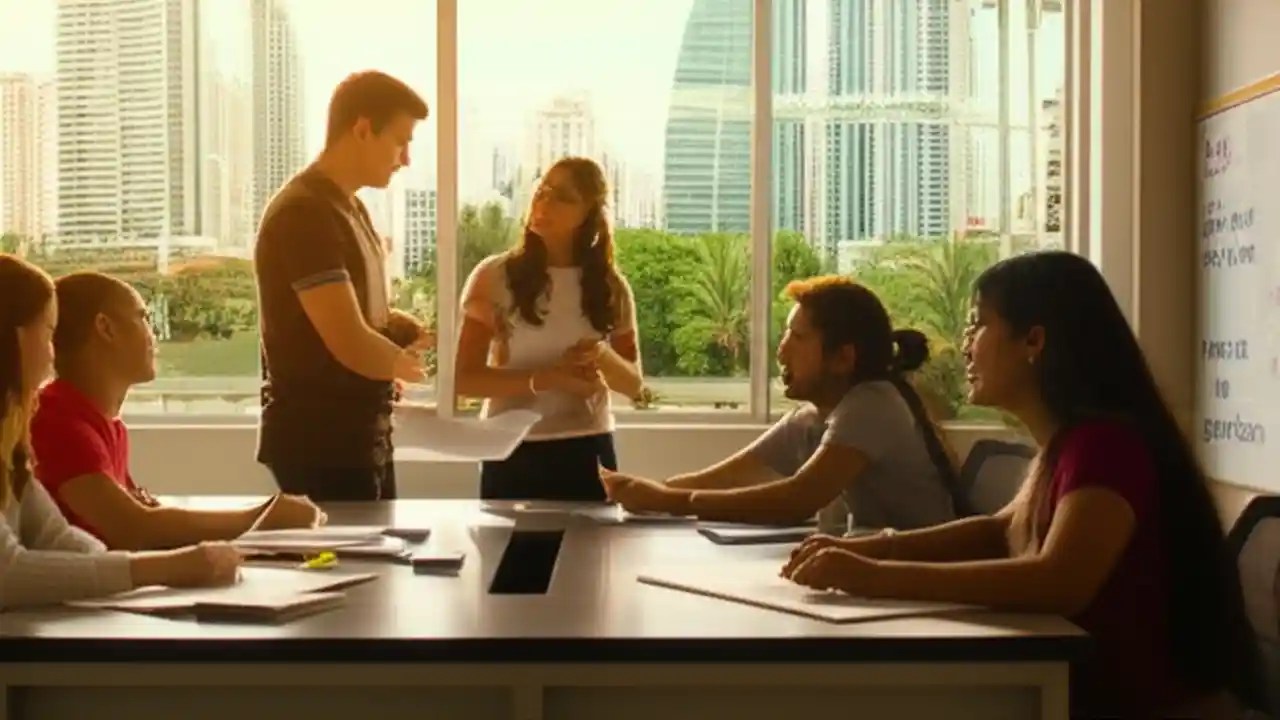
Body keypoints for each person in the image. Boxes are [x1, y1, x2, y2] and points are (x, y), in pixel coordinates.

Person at [781, 252, 1262, 718]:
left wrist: (873, 577)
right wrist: (873, 552)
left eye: (979, 323)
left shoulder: (1106, 447)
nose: (967, 342)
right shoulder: (1068, 445)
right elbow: (996, 532)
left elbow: (1058, 582)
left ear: (1033, 341)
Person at [600, 275, 960, 529]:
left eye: (798, 338)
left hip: (928, 584)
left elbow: (797, 499)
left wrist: (668, 501)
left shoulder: (873, 404)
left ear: (842, 358)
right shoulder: (812, 418)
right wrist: (646, 491)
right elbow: (721, 479)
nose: (782, 351)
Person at [0, 255, 240, 609]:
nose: (52, 356)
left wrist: (137, 577)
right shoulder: (57, 420)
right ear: (13, 336)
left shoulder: (11, 444)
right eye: (48, 332)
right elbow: (8, 574)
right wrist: (157, 570)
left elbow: (56, 537)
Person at [29, 272, 325, 550]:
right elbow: (133, 527)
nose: (152, 334)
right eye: (142, 317)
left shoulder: (102, 423)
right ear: (106, 328)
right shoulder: (57, 422)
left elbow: (145, 517)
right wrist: (261, 518)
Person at [255, 70, 432, 501]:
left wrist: (405, 332)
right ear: (362, 128)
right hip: (321, 440)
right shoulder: (306, 214)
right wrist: (413, 369)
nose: (406, 158)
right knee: (350, 565)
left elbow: (361, 316)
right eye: (400, 141)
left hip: (360, 433)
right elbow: (348, 340)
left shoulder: (350, 209)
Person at [456, 156, 644, 500]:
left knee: (587, 553)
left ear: (588, 213)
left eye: (562, 196)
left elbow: (634, 385)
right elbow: (463, 379)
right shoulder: (493, 276)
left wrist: (599, 354)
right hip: (509, 448)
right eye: (542, 190)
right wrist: (549, 378)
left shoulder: (610, 287)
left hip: (588, 449)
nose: (544, 201)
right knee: (511, 555)